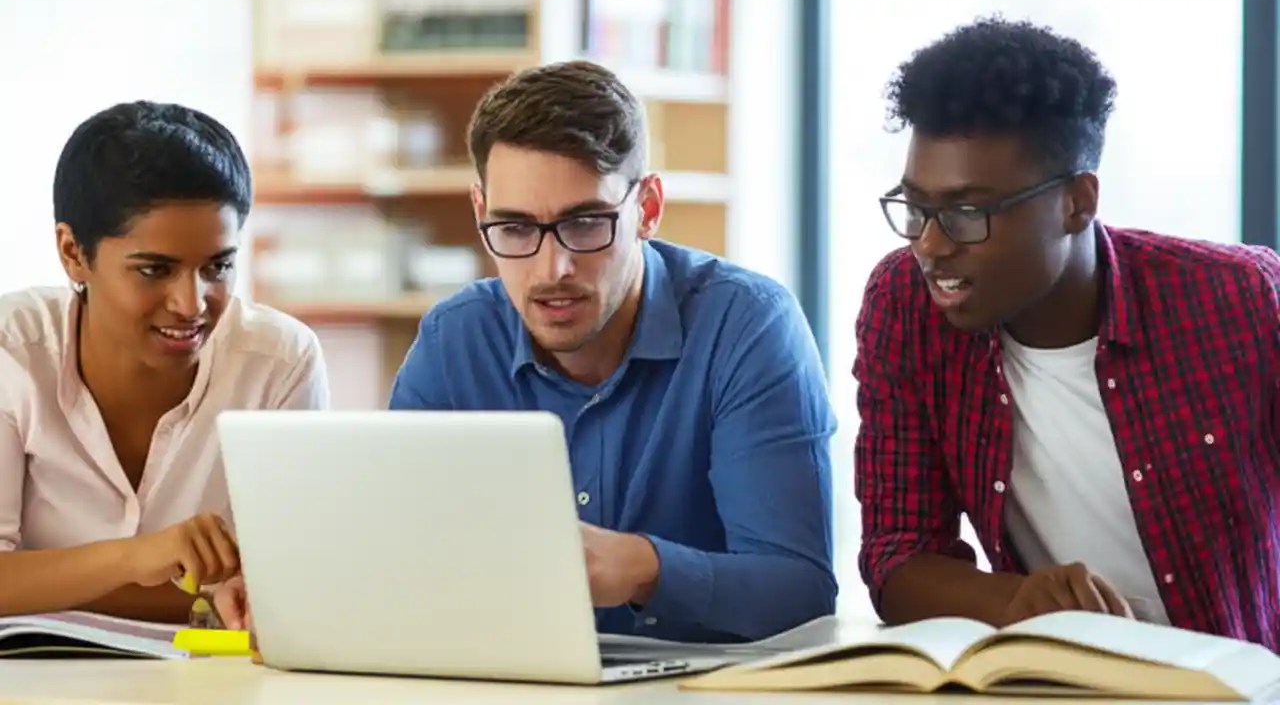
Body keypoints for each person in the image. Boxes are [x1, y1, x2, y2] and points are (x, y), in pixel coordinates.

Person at [343, 60, 833, 643]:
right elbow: (394, 563)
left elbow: (799, 591)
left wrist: (641, 569)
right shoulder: (455, 341)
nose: (554, 269)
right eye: (516, 229)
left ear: (647, 208)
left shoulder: (746, 326)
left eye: (585, 224)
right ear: (481, 211)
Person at [854, 15, 1280, 651]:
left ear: (1078, 202)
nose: (931, 246)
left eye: (969, 212)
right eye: (918, 208)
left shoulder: (1242, 300)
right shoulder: (905, 305)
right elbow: (897, 557)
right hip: (1057, 682)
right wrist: (1021, 601)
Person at [0, 101, 328, 623]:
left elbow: (286, 581)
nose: (192, 303)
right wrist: (137, 557)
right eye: (155, 270)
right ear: (72, 252)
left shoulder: (280, 363)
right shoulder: (11, 350)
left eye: (218, 266)